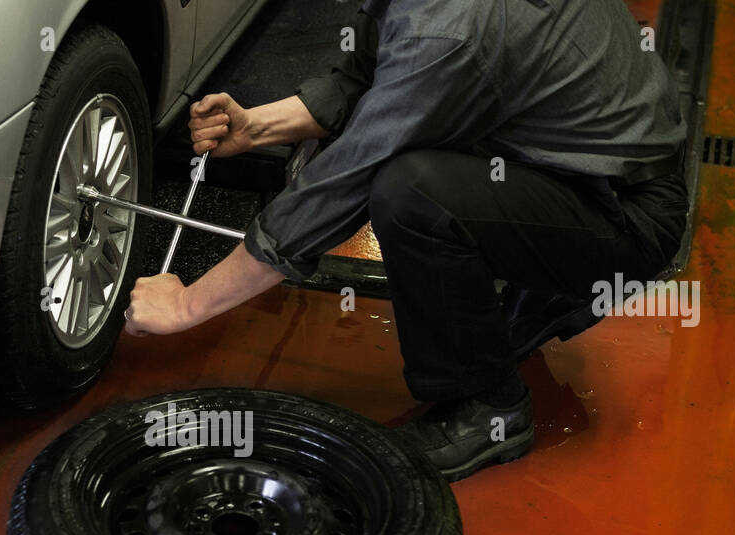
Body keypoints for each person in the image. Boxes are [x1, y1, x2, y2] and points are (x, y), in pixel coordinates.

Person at [123, 0, 689, 481]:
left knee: (409, 191)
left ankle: (487, 407)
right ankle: (535, 299)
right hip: (582, 165)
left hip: (623, 213)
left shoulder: (450, 28)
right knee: (425, 149)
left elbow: (347, 179)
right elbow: (370, 82)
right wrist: (257, 127)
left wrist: (188, 304)